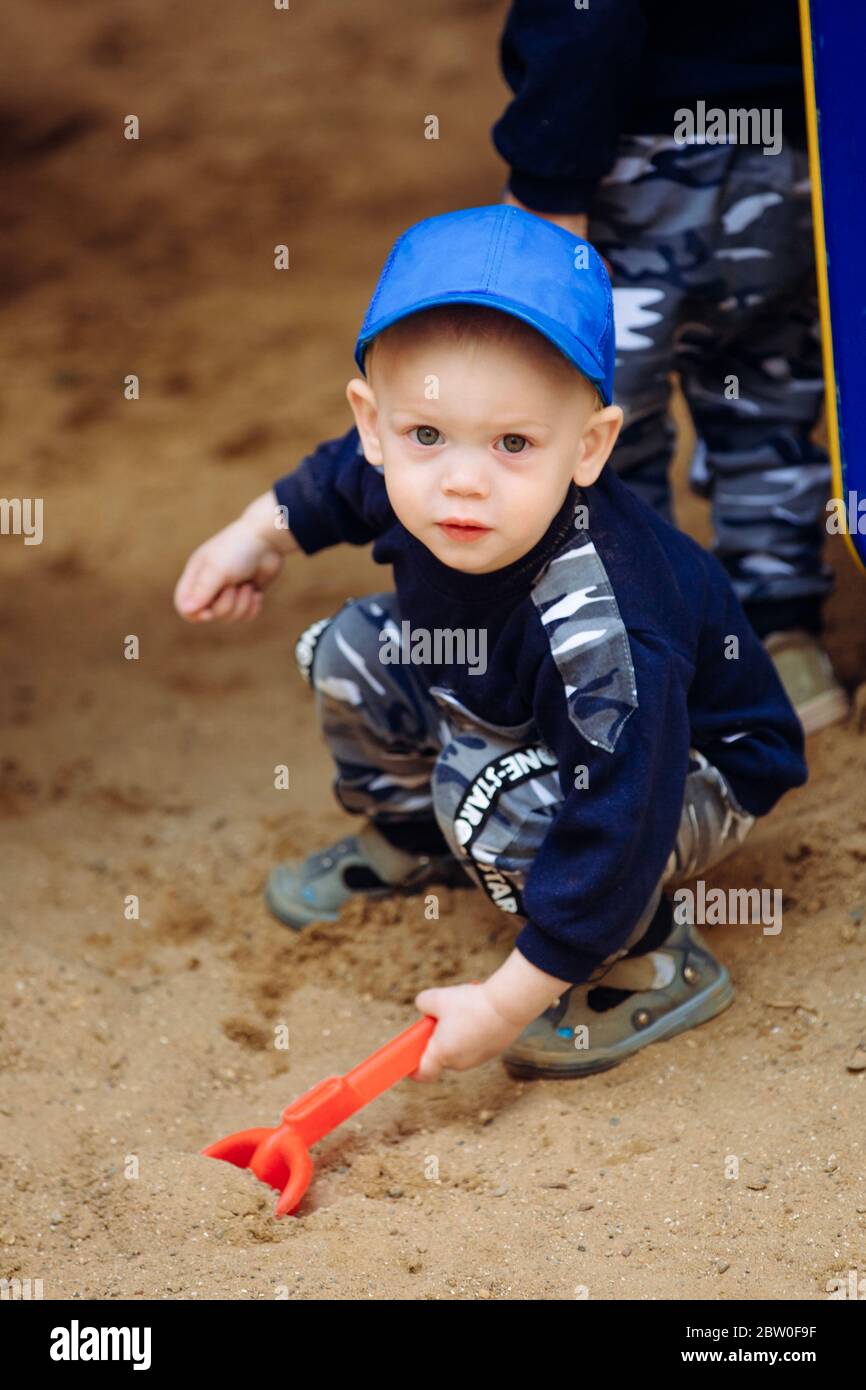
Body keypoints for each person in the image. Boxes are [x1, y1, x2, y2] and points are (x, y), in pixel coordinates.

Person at [174, 206, 807, 1081]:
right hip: (514, 703)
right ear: (375, 422)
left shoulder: (604, 620)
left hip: (685, 768)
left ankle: (647, 957)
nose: (461, 479)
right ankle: (415, 837)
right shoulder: (409, 470)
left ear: (589, 446)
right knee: (352, 648)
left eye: (514, 443)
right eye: (426, 434)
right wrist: (257, 535)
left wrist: (505, 1002)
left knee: (496, 798)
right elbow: (332, 483)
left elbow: (621, 815)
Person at [493, 0, 848, 734]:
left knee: (604, 421)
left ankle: (640, 655)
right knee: (768, 403)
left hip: (641, 167)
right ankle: (782, 644)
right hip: (796, 154)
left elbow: (585, 17)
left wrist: (548, 179)